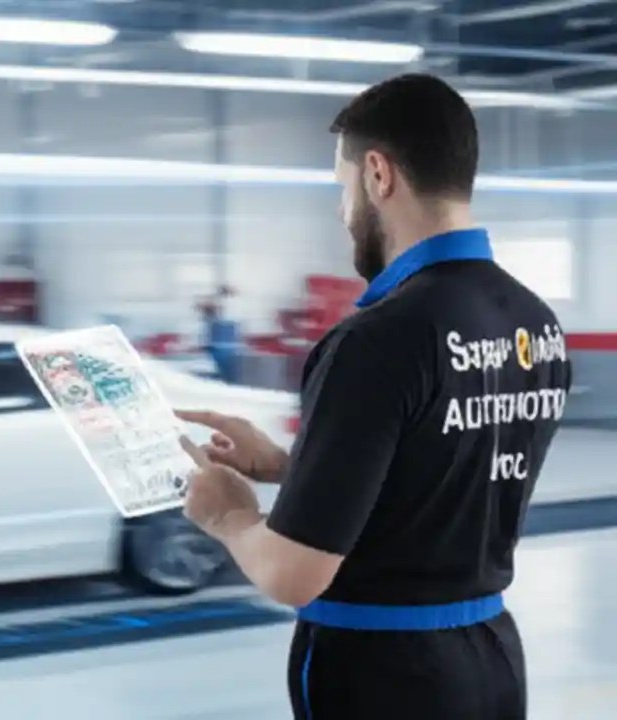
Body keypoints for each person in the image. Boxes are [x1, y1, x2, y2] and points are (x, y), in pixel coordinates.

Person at [176, 73, 572, 720]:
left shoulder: (378, 340)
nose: (342, 210)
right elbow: (444, 475)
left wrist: (229, 516)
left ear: (379, 175)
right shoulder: (535, 323)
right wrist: (290, 467)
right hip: (491, 661)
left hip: (387, 678)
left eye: (342, 185)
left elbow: (292, 574)